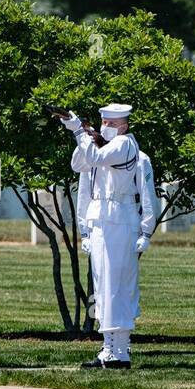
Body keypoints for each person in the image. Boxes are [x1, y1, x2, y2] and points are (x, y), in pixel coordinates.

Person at [60, 103, 153, 368]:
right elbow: (80, 168)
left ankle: (120, 350)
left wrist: (146, 230)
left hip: (120, 220)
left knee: (117, 285)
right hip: (101, 221)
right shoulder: (99, 149)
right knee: (103, 286)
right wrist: (85, 137)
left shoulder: (126, 146)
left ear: (123, 126)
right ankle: (110, 348)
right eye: (103, 123)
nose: (106, 127)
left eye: (111, 124)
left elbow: (146, 197)